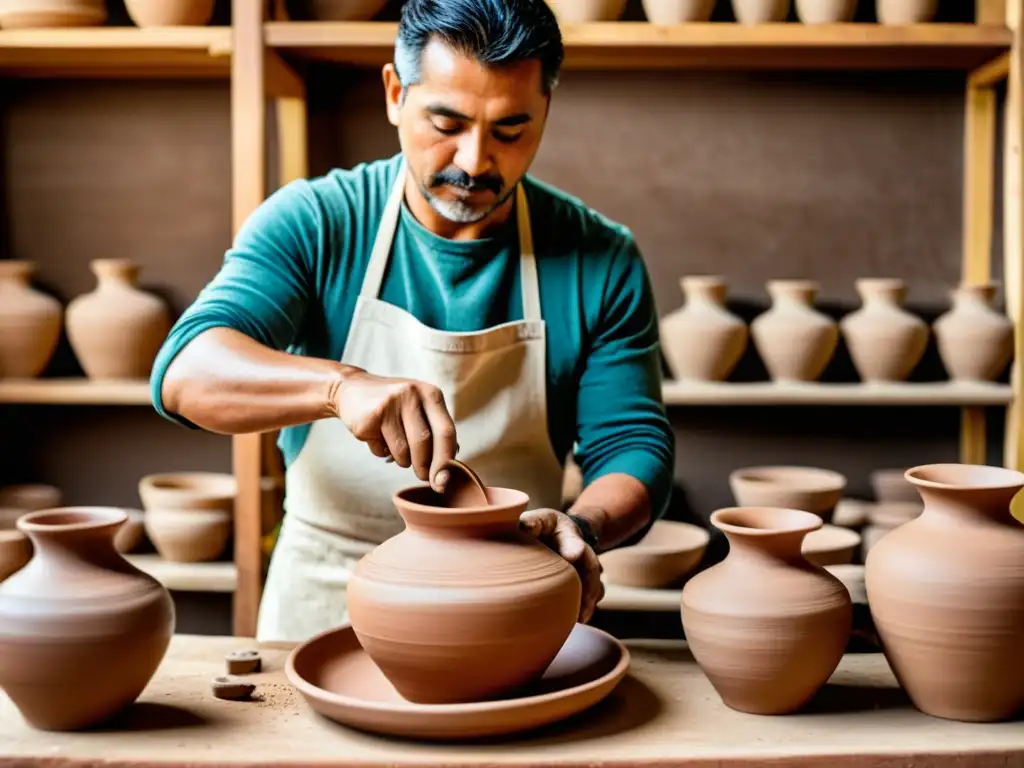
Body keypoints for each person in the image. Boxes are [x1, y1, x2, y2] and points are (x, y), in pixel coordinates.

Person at [150, 0, 675, 643]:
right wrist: (340, 388)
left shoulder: (599, 257)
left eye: (511, 130)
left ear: (545, 113)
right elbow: (185, 372)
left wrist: (584, 525)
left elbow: (633, 445)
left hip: (504, 602)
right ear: (396, 93)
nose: (476, 162)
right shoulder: (317, 221)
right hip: (322, 602)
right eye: (447, 122)